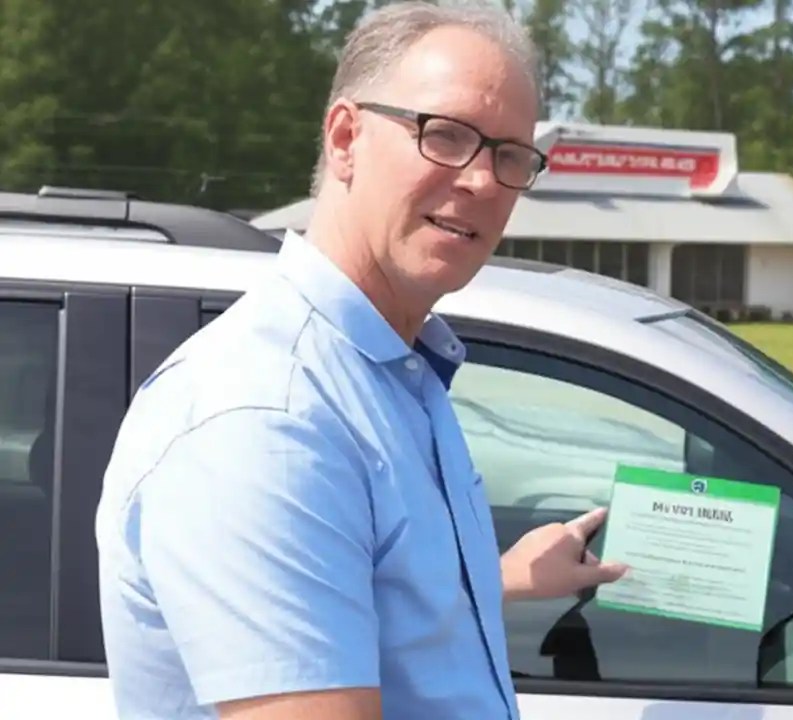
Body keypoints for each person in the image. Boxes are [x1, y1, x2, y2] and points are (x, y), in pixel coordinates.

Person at [94, 2, 627, 718]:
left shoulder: (393, 372)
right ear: (346, 138)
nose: (483, 181)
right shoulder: (266, 419)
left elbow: (372, 597)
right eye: (445, 136)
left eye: (508, 155)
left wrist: (496, 579)